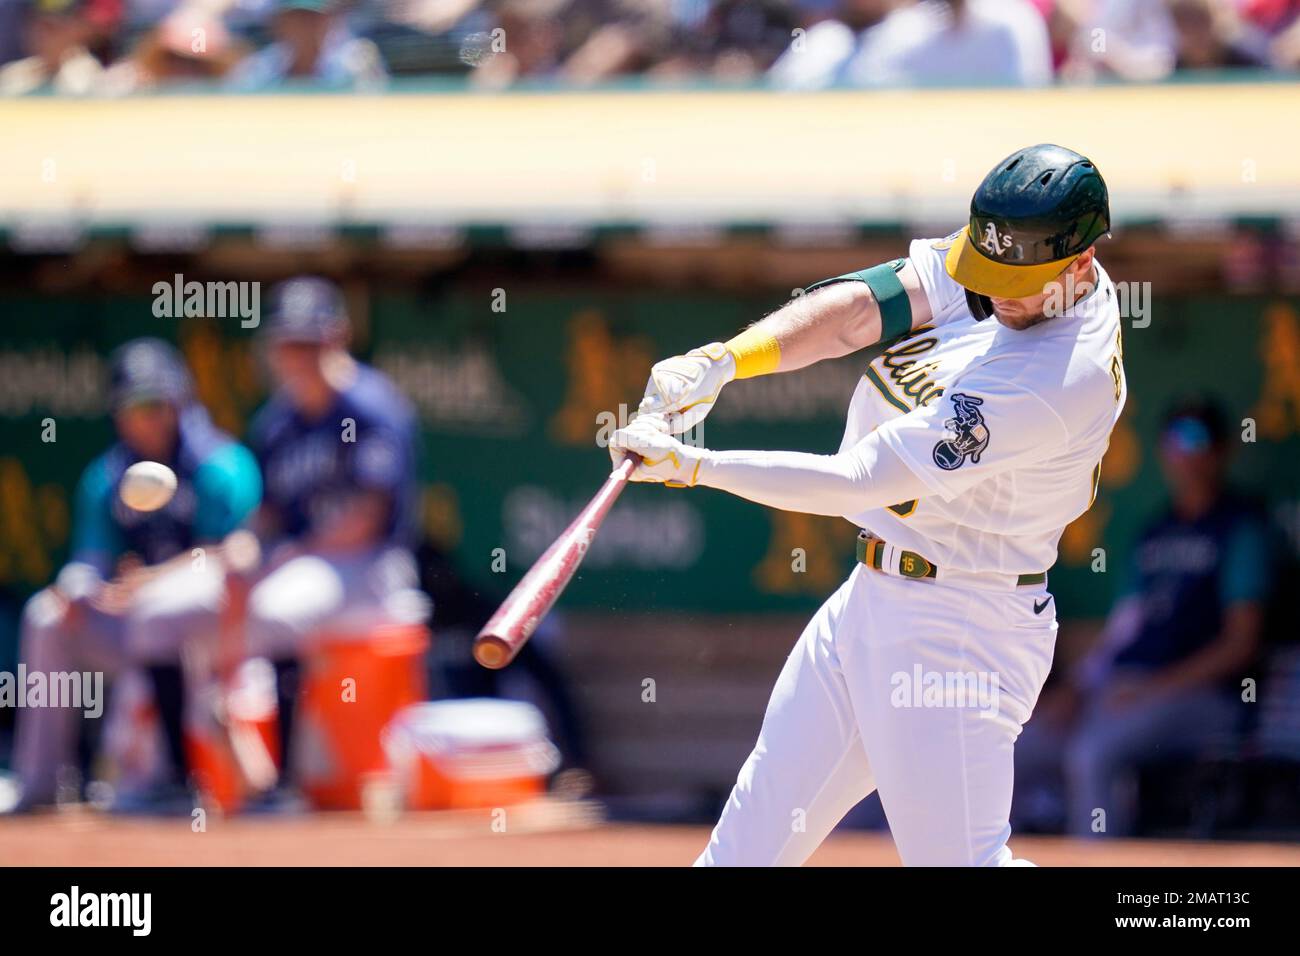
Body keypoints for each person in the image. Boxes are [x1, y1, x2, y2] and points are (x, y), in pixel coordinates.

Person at [610, 143, 1124, 866]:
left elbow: (855, 481)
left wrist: (693, 466)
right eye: (991, 270)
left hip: (959, 627)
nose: (998, 291)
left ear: (1079, 265)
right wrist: (725, 362)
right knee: (745, 853)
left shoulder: (1056, 378)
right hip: (871, 599)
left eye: (1019, 281)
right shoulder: (1008, 260)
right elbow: (858, 314)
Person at [4, 339, 260, 813]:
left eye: (155, 403)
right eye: (133, 406)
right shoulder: (107, 475)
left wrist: (151, 582)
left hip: (207, 639)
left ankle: (174, 784)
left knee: (160, 607)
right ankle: (39, 783)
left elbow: (238, 553)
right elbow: (92, 562)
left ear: (179, 402)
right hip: (132, 626)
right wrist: (78, 589)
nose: (147, 416)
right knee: (46, 616)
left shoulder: (221, 464)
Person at [1014, 399, 1269, 837]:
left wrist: (1153, 688)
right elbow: (1122, 630)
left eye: (1197, 439)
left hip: (1208, 698)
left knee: (1091, 755)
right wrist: (1076, 689)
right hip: (1127, 691)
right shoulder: (1155, 531)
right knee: (1016, 750)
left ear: (1223, 450)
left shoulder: (1241, 527)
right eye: (1175, 440)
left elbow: (1240, 645)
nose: (1185, 452)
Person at [242, 276, 425, 805]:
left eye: (308, 342)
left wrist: (294, 553)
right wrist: (243, 553)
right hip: (308, 565)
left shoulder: (371, 406)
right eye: (287, 343)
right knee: (219, 601)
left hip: (371, 568)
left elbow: (368, 514)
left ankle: (285, 780)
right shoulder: (277, 422)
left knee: (277, 607)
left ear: (336, 337)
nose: (296, 356)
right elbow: (268, 513)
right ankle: (185, 777)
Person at [225, 0, 387, 91]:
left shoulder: (356, 62)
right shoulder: (259, 67)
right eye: (297, 17)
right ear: (281, 24)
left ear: (328, 21)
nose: (307, 26)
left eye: (314, 18)